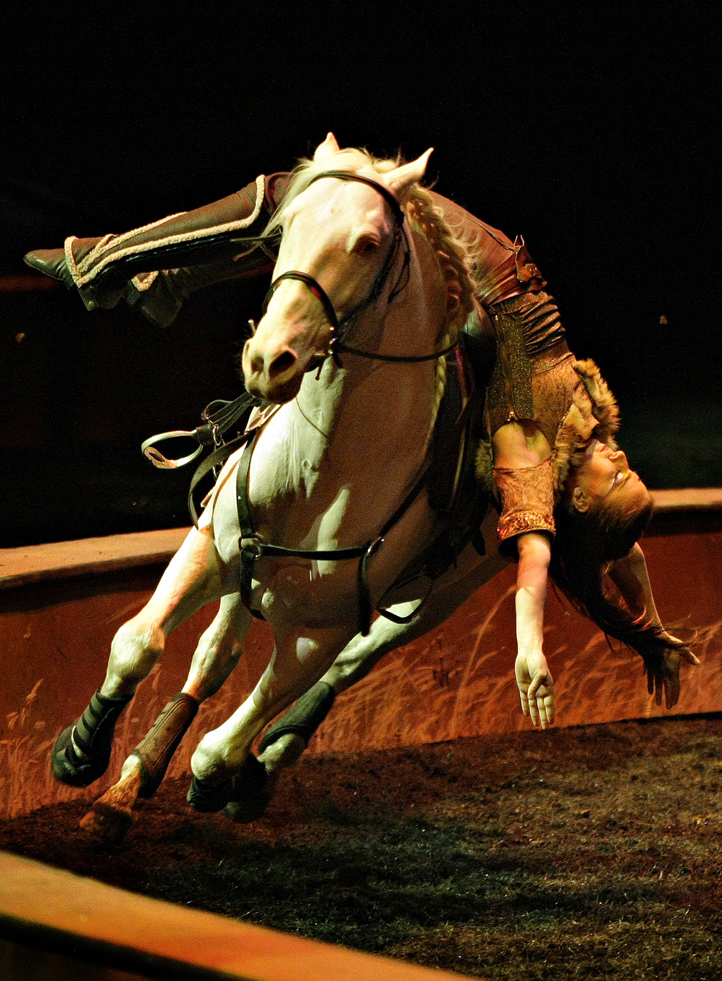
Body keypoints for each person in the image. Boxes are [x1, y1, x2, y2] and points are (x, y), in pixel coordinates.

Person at [25, 138, 696, 745]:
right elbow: (627, 556)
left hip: (499, 289)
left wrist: (530, 651)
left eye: (615, 474)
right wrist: (652, 629)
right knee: (318, 224)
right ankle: (161, 281)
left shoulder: (533, 452)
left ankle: (110, 264)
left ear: (577, 499)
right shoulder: (589, 448)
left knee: (297, 190)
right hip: (498, 291)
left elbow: (535, 568)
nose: (618, 456)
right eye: (627, 465)